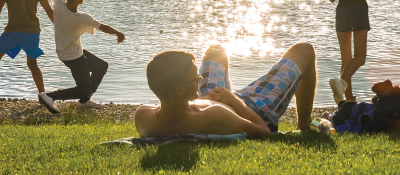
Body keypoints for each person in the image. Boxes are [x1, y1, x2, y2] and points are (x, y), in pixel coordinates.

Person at [134, 42, 317, 138]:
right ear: (179, 90)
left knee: (216, 50)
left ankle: (219, 92)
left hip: (207, 99)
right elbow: (263, 131)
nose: (200, 79)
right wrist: (232, 99)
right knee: (304, 49)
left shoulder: (143, 116)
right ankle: (304, 126)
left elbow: (177, 108)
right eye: (196, 78)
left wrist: (198, 98)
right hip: (252, 108)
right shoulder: (214, 114)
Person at [300, 0, 369, 102]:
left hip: (343, 12)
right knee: (360, 57)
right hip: (358, 10)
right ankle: (341, 82)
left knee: (346, 59)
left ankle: (348, 98)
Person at [42, 0, 126, 111]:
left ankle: (84, 101)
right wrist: (118, 33)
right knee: (84, 90)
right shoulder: (82, 18)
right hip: (73, 57)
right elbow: (102, 26)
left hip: (67, 51)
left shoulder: (58, 2)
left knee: (101, 66)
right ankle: (50, 96)